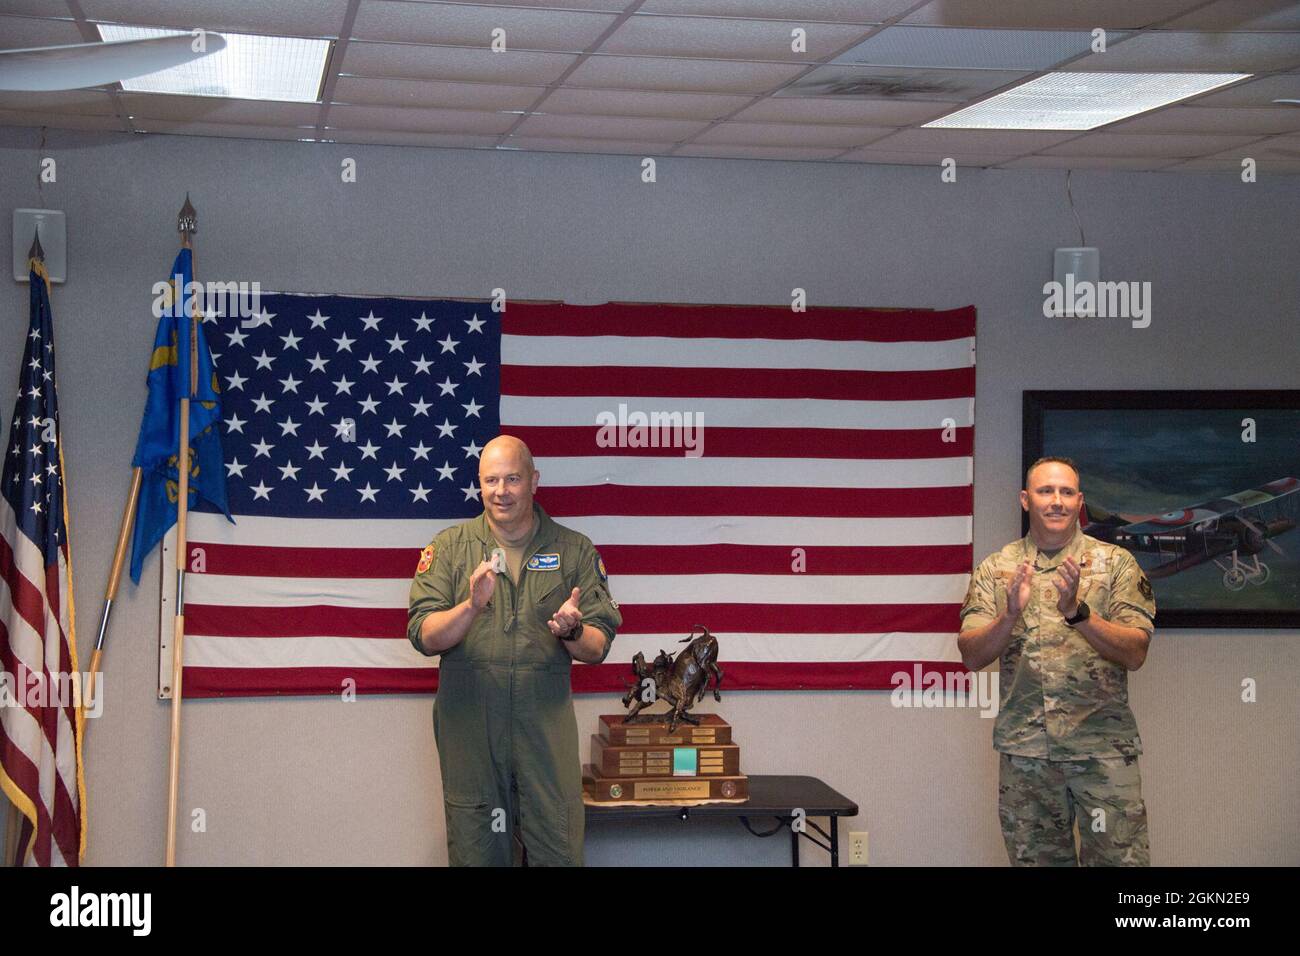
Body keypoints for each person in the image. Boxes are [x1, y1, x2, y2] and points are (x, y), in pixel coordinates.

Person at [407, 435, 622, 866]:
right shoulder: (449, 548)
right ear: (480, 484)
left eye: (512, 479)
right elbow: (424, 635)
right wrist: (470, 607)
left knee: (558, 847)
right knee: (478, 849)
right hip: (471, 732)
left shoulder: (574, 549)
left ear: (534, 481)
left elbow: (598, 645)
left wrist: (572, 631)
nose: (500, 491)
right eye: (490, 480)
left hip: (543, 733)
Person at [958, 457, 1156, 866]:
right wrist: (1008, 615)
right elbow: (971, 655)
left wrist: (1079, 613)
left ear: (1079, 501)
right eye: (1046, 491)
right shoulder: (998, 569)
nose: (1057, 501)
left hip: (1102, 753)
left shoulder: (1116, 564)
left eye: (1066, 492)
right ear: (1026, 500)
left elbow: (1135, 652)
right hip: (1027, 755)